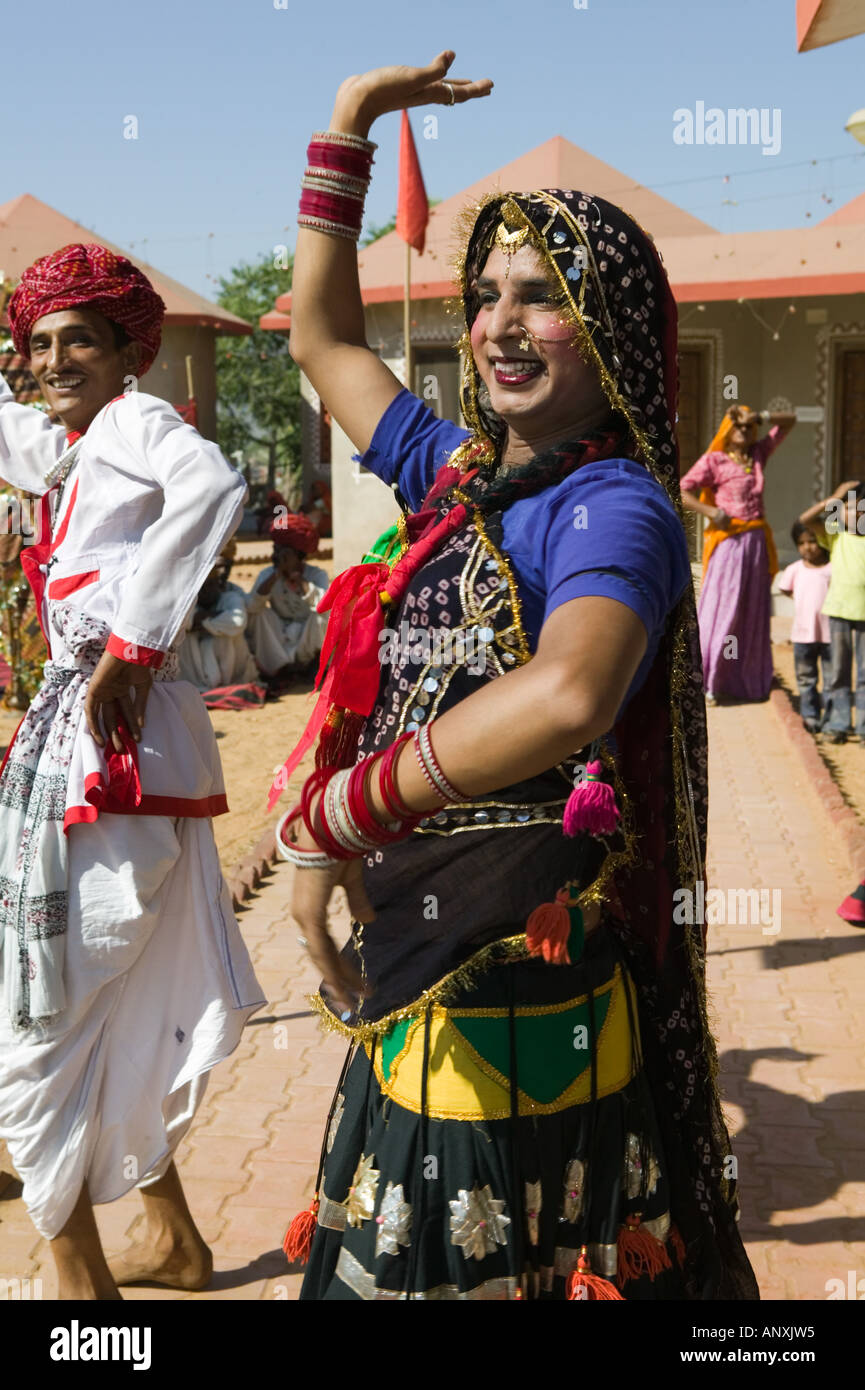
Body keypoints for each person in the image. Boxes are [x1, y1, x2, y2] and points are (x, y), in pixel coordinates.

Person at [273, 52, 758, 1301]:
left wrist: (340, 812)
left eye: (540, 296)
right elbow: (323, 338)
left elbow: (569, 696)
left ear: (608, 328)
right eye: (484, 294)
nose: (496, 324)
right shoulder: (457, 474)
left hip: (515, 991)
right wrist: (346, 132)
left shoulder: (613, 505)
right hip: (421, 977)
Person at [0, 243, 263, 1300]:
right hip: (87, 744)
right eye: (39, 345)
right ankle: (176, 1244)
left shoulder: (132, 425)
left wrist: (133, 644)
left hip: (113, 745)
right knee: (97, 1001)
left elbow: (214, 483)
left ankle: (81, 1293)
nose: (56, 359)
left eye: (80, 341)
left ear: (125, 355)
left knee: (37, 1018)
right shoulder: (70, 445)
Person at [680, 403, 796, 703]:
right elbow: (682, 489)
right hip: (728, 543)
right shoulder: (714, 460)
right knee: (724, 607)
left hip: (756, 542)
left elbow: (789, 421)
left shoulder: (758, 454)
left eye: (748, 427)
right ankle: (708, 681)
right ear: (727, 431)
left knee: (752, 610)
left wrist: (760, 416)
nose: (744, 431)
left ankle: (744, 681)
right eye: (738, 426)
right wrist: (710, 511)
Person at [797, 479, 865, 744]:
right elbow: (805, 518)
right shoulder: (836, 535)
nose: (855, 513)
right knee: (838, 673)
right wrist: (833, 498)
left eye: (860, 508)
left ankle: (862, 727)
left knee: (864, 675)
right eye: (848, 508)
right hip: (839, 614)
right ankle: (838, 724)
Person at [245, 512, 328, 680]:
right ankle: (279, 669)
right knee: (259, 615)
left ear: (298, 556)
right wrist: (277, 575)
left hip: (307, 631)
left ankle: (314, 664)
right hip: (280, 632)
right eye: (276, 551)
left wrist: (300, 581)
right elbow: (252, 605)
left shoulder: (317, 575)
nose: (277, 557)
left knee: (323, 615)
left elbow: (324, 605)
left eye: (284, 554)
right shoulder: (268, 574)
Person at [776, 521, 832, 734]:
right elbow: (786, 589)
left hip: (830, 636)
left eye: (812, 541)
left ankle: (829, 720)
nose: (808, 547)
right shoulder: (794, 569)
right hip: (802, 636)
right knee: (806, 678)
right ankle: (810, 717)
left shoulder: (832, 568)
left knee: (830, 680)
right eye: (802, 543)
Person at [178, 557, 259, 693]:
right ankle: (198, 683)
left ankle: (226, 684)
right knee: (184, 639)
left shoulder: (232, 598)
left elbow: (237, 623)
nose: (206, 591)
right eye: (201, 587)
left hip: (233, 670)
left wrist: (202, 621)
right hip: (197, 672)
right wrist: (216, 619)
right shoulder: (189, 603)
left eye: (210, 585)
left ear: (218, 585)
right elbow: (184, 622)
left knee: (224, 638)